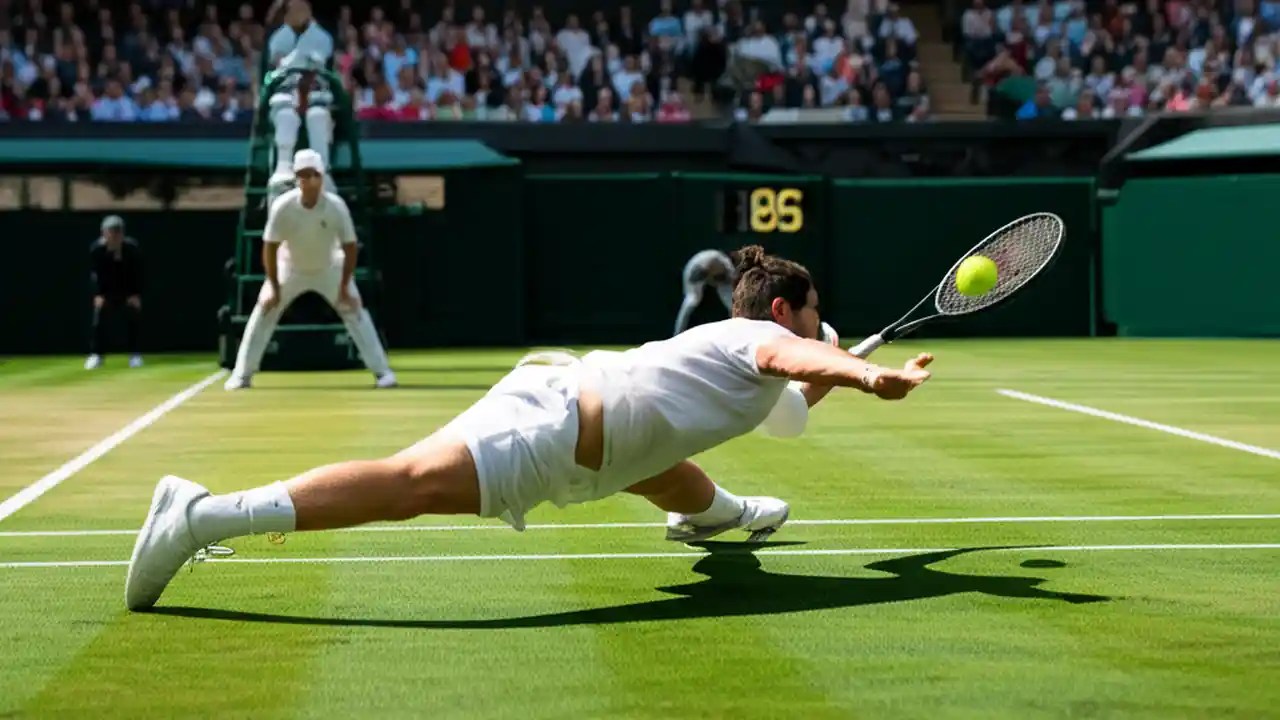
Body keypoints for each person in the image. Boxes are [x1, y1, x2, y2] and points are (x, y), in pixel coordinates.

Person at [126, 245, 933, 611]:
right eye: (814, 316)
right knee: (405, 486)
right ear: (787, 311)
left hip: (593, 437)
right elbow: (793, 368)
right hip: (550, 431)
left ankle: (713, 514)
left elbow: (789, 409)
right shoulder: (754, 341)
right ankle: (197, 516)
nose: (822, 330)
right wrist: (867, 374)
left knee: (660, 465)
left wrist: (836, 365)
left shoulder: (744, 362)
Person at [224, 149, 396, 390]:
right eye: (303, 175)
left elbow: (350, 246)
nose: (308, 180)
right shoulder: (283, 206)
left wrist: (346, 285)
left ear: (321, 177)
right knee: (264, 309)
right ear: (296, 179)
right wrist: (273, 286)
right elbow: (270, 247)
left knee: (355, 309)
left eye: (313, 174)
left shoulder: (336, 207)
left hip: (329, 268)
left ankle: (382, 373)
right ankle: (242, 375)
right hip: (290, 268)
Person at [265, 0, 335, 190]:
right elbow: (274, 70)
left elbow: (321, 64)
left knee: (318, 116)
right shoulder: (278, 37)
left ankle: (323, 172)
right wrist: (293, 61)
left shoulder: (322, 37)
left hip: (316, 93)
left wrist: (305, 60)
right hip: (286, 93)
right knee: (286, 114)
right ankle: (283, 168)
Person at [86, 215, 143, 370]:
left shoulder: (132, 249)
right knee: (98, 321)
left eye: (118, 232)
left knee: (134, 318)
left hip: (127, 290)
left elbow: (136, 273)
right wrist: (98, 294)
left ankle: (135, 355)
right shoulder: (96, 250)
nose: (115, 235)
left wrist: (135, 294)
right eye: (111, 232)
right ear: (104, 233)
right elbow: (95, 274)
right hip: (106, 291)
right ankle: (96, 355)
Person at [674, 249, 737, 336]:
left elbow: (729, 279)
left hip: (716, 273)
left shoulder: (726, 268)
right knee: (691, 301)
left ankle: (736, 330)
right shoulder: (701, 264)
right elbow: (698, 275)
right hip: (697, 270)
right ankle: (677, 334)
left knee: (732, 305)